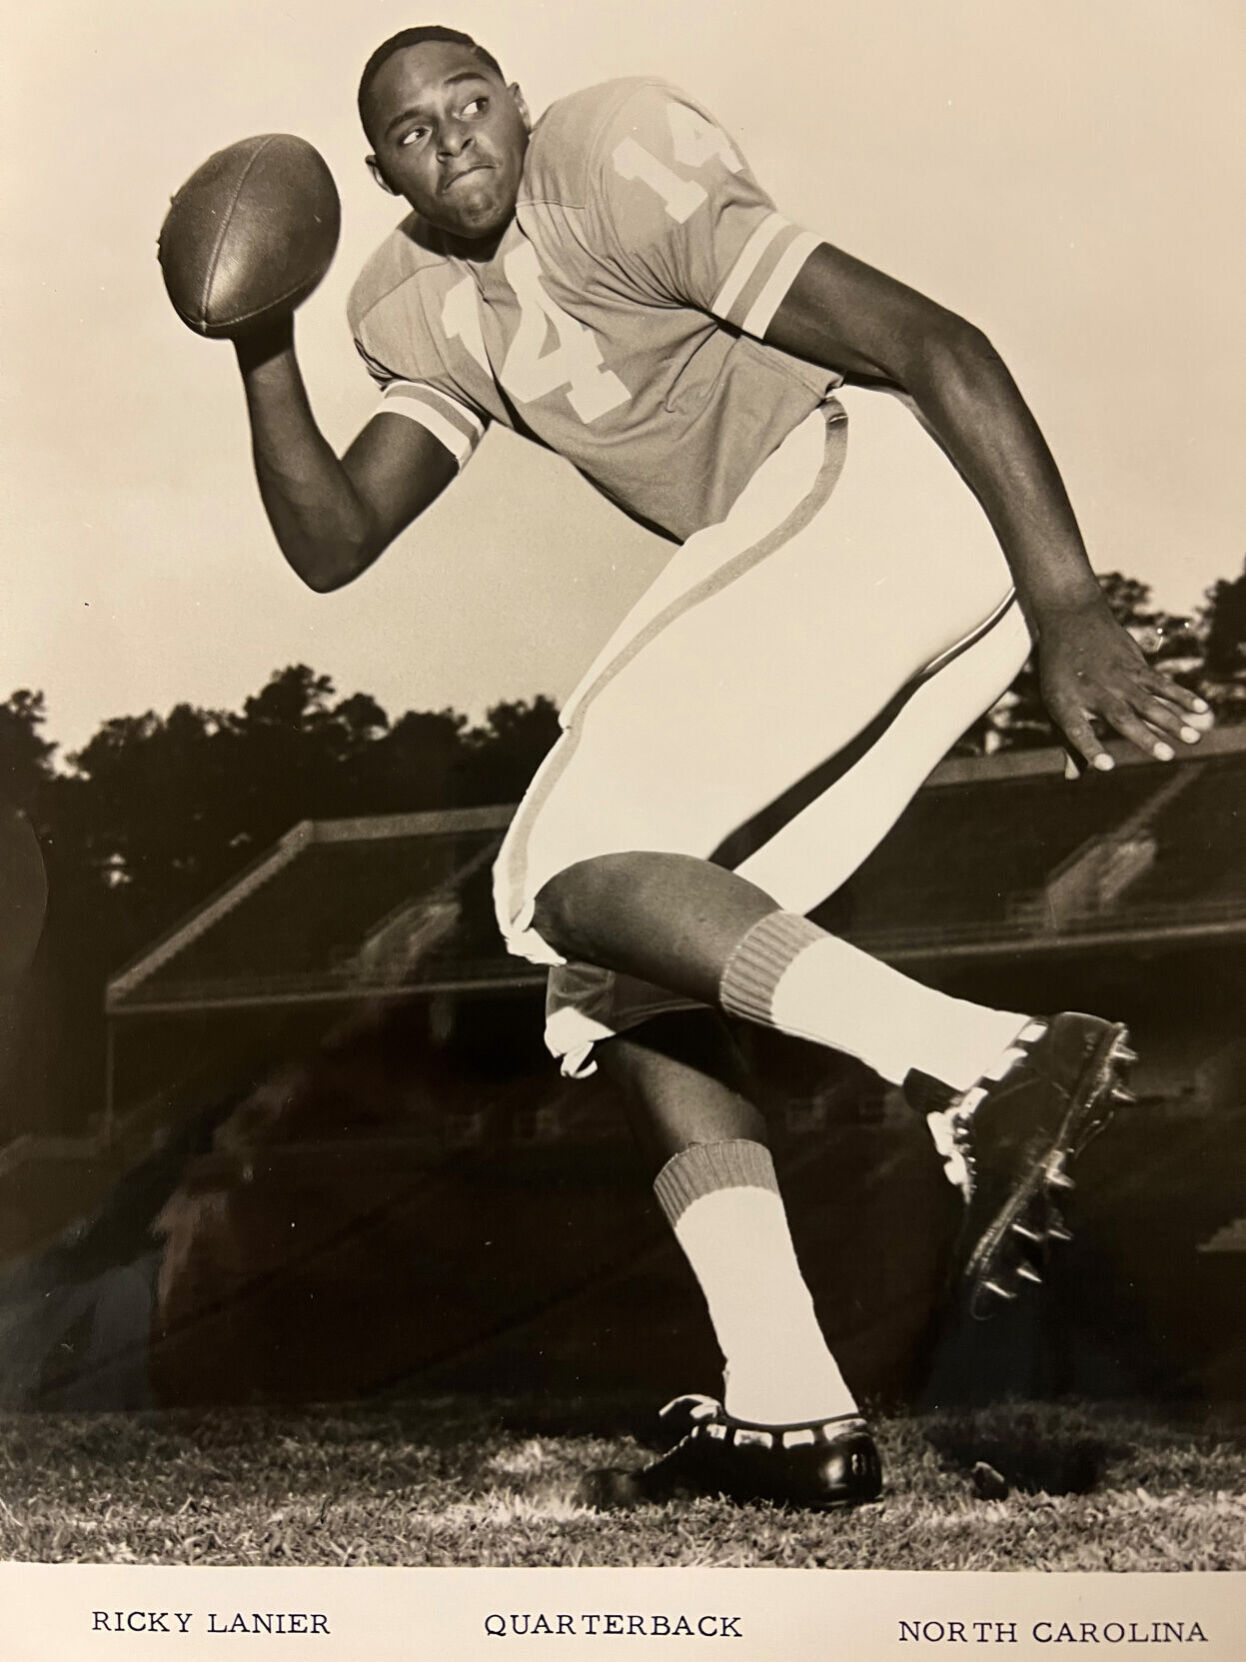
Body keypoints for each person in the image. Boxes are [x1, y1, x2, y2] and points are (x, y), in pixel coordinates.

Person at [220, 25, 1212, 1508]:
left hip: (878, 485)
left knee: (552, 866)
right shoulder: (409, 302)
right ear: (378, 178)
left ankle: (987, 1059)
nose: (455, 144)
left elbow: (932, 342)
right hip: (851, 557)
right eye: (414, 137)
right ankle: (789, 1399)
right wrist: (259, 339)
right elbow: (334, 542)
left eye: (470, 105)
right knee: (609, 973)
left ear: (517, 103)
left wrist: (1072, 601)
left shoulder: (611, 161)